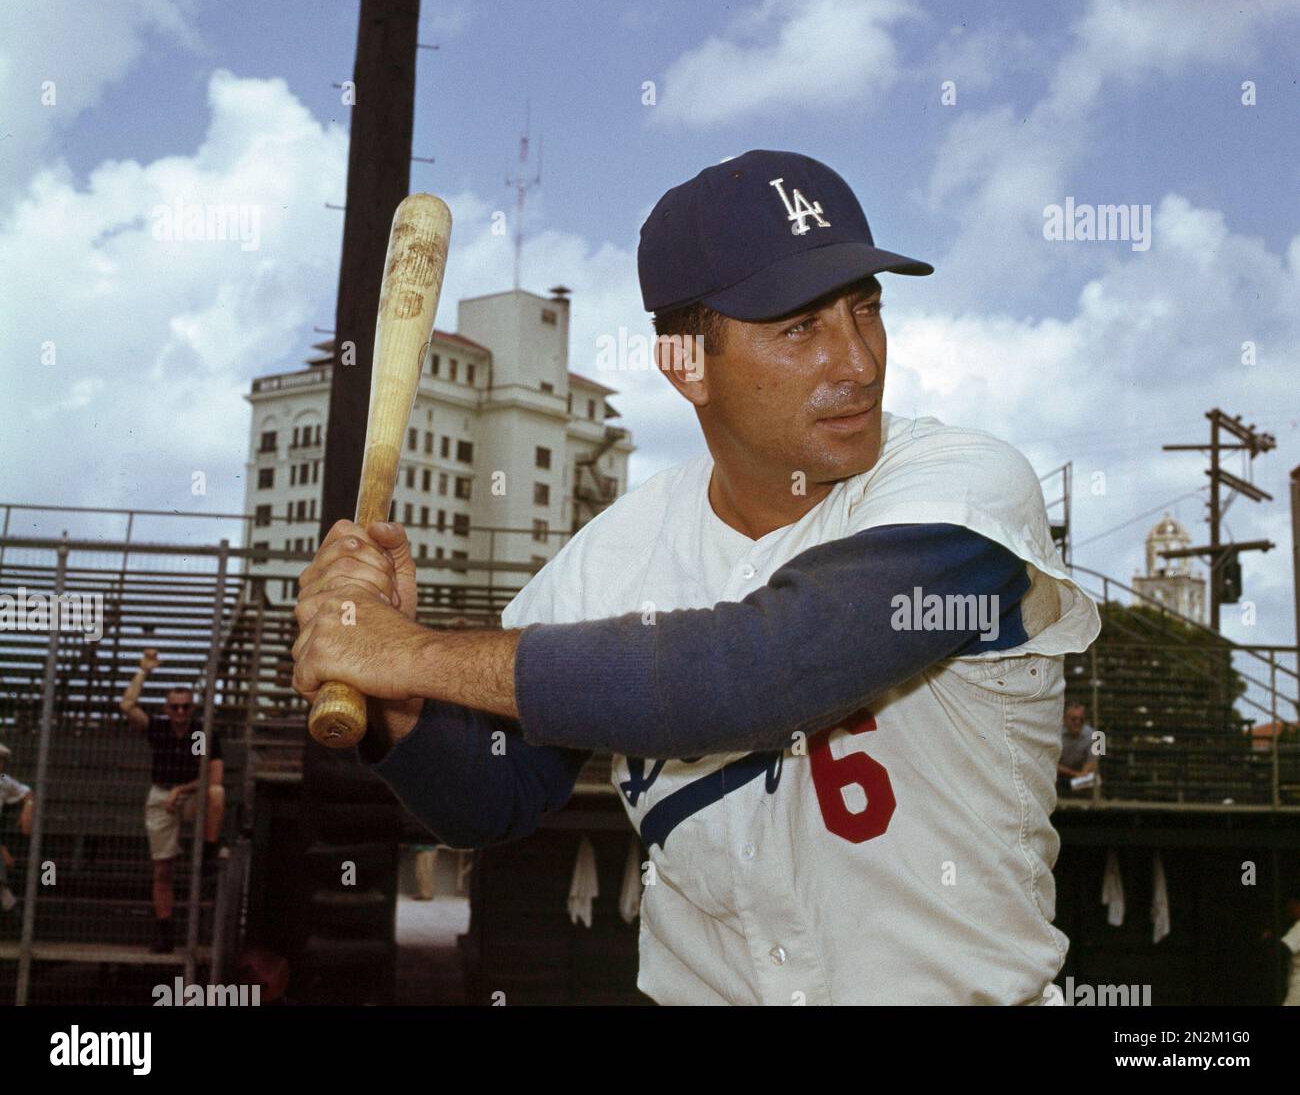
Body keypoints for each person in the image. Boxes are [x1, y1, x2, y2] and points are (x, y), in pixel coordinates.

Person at [292, 148, 1102, 1005]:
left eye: (866, 310)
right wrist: (389, 700)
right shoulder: (617, 552)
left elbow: (755, 671)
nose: (858, 361)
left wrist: (410, 653)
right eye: (801, 328)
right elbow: (492, 796)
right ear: (687, 363)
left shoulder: (960, 490)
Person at [119, 650, 225, 953]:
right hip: (161, 796)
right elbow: (127, 705)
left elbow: (213, 780)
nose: (180, 712)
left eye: (185, 707)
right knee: (163, 870)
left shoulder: (201, 733)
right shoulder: (159, 728)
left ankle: (208, 851)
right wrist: (143, 671)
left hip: (191, 796)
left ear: (192, 708)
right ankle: (165, 930)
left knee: (216, 794)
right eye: (175, 707)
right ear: (167, 708)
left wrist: (181, 790)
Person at [0, 743, 35, 914]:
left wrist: (28, 809)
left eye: (2, 761)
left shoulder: (2, 778)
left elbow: (27, 792)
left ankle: (10, 905)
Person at [1057, 701, 1101, 794]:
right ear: (1064, 719)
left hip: (1080, 778)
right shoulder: (1055, 734)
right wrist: (1073, 773)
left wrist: (1083, 774)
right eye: (1074, 719)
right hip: (1059, 775)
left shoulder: (1094, 735)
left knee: (1096, 778)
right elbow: (1051, 763)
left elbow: (1093, 761)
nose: (1077, 722)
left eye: (1081, 720)